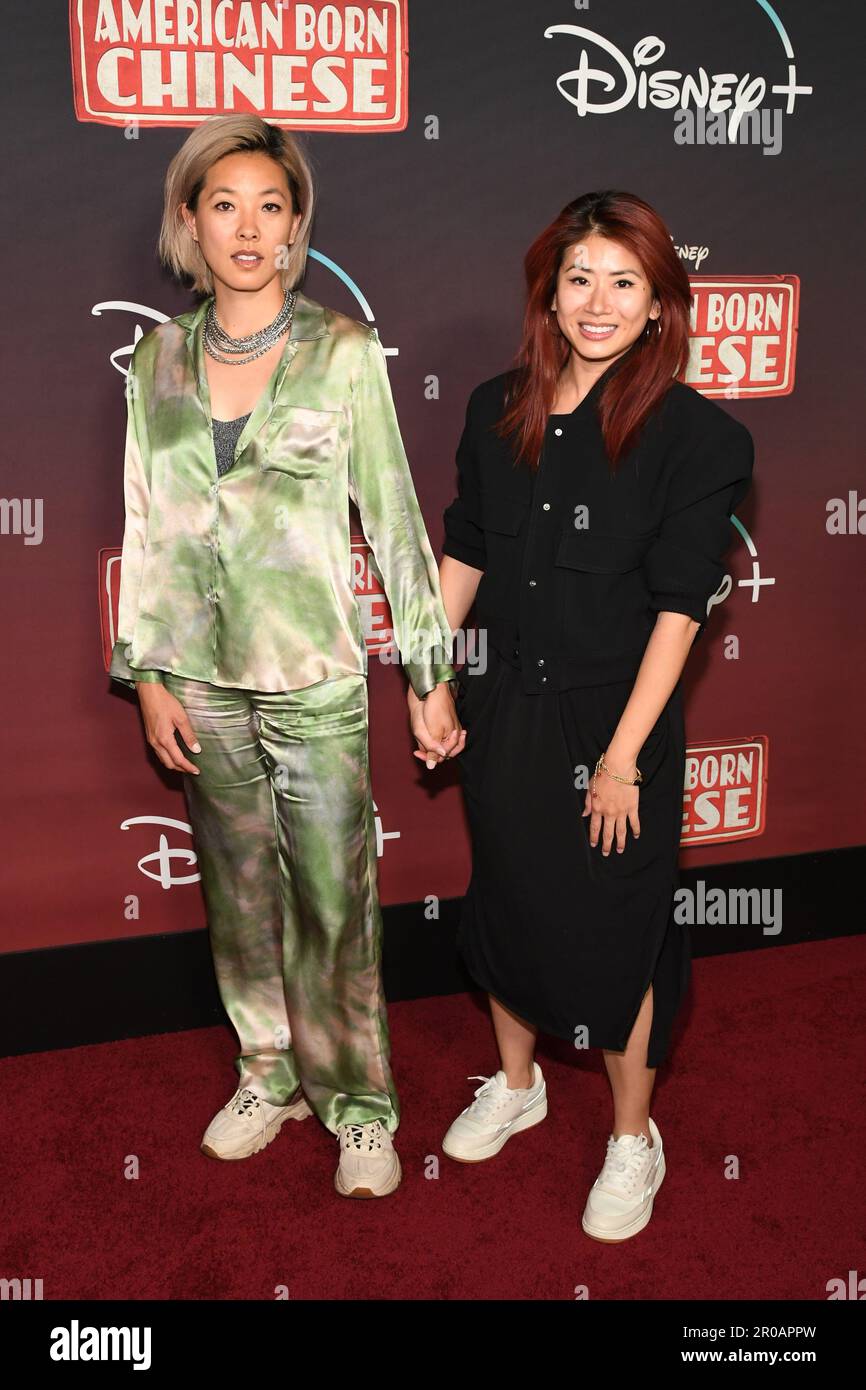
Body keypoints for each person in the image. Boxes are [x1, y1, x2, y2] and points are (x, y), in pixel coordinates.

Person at [110, 113, 461, 1198]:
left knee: (333, 901)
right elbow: (144, 521)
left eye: (271, 206)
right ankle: (267, 1073)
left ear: (297, 224)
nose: (249, 228)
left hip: (311, 673)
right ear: (190, 222)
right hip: (199, 679)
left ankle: (359, 1107)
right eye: (225, 206)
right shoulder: (157, 357)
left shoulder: (343, 352)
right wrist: (148, 673)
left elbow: (394, 518)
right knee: (238, 893)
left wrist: (429, 673)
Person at [413, 190, 755, 1241]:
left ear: (658, 303)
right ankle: (517, 1086)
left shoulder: (699, 437)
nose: (597, 302)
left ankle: (631, 1137)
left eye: (623, 281)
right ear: (548, 293)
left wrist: (620, 760)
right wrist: (428, 677)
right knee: (508, 899)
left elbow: (679, 609)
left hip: (616, 723)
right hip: (503, 705)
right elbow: (467, 547)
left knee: (618, 932)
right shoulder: (496, 407)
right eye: (578, 279)